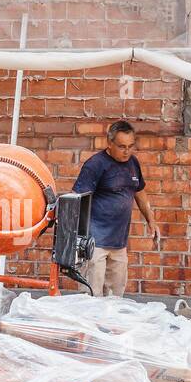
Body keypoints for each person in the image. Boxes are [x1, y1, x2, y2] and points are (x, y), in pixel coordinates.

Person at [71, 120, 160, 297]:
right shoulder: (95, 165)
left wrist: (151, 220)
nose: (126, 151)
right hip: (94, 243)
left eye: (130, 146)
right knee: (91, 297)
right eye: (121, 146)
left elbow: (139, 192)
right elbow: (77, 198)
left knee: (115, 299)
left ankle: (110, 325)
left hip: (119, 243)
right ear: (109, 143)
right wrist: (76, 238)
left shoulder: (133, 163)